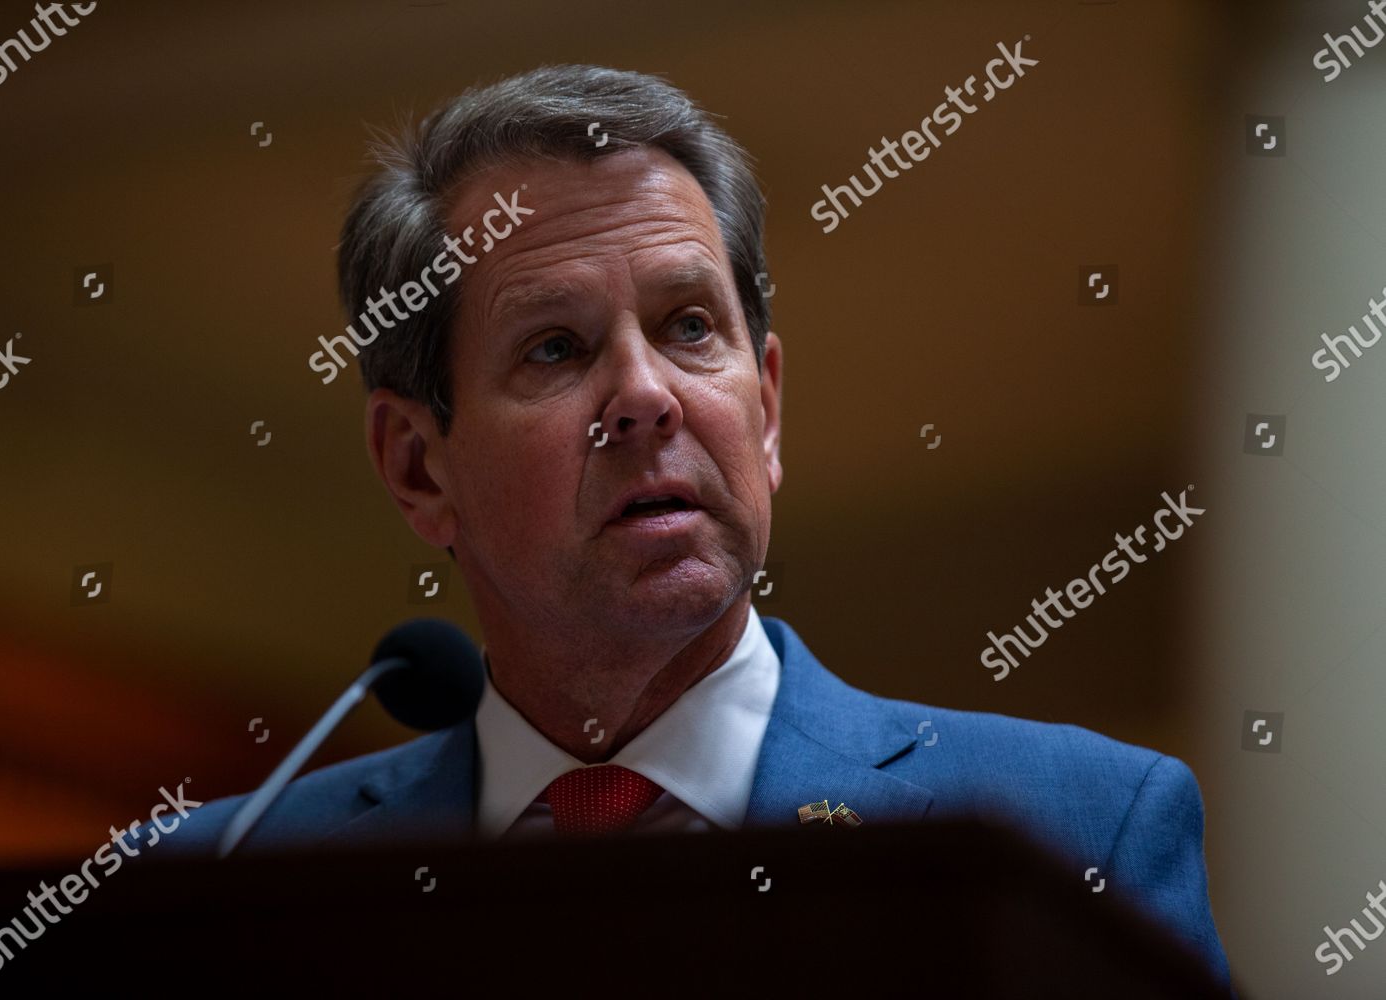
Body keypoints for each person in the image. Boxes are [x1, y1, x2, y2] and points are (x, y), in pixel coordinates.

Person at [165, 64, 1229, 986]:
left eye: (688, 327)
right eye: (554, 349)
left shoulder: (1087, 826)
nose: (645, 394)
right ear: (416, 464)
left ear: (765, 406)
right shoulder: (228, 885)